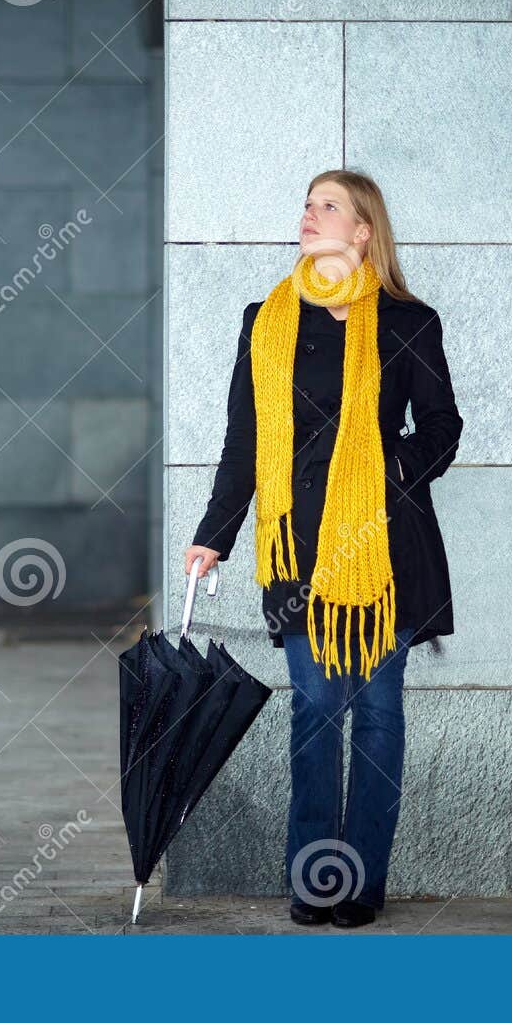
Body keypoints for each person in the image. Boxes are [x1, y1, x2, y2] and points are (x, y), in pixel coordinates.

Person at [182, 169, 465, 928]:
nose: (309, 216)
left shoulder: (408, 322)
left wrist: (391, 466)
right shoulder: (266, 320)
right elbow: (244, 440)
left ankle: (363, 881)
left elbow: (443, 427)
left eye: (327, 206)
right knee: (315, 711)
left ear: (364, 229)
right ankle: (316, 878)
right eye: (306, 204)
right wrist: (215, 534)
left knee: (377, 713)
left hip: (383, 551)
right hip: (300, 557)